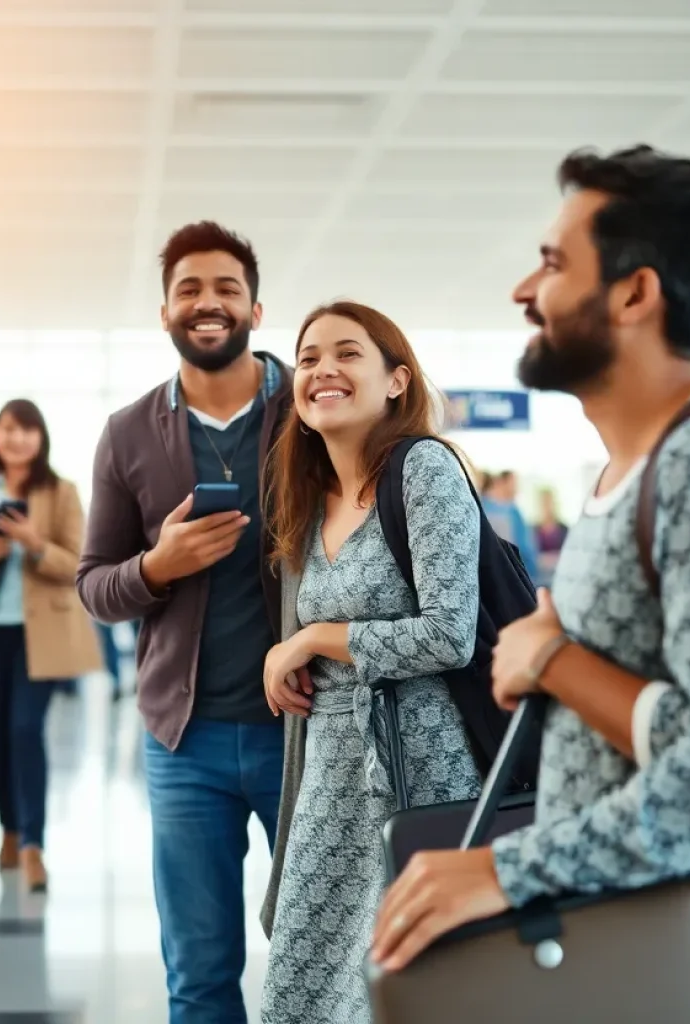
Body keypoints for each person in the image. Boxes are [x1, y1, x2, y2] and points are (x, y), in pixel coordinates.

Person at [371, 145, 690, 1024]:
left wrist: (506, 868)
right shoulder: (629, 472)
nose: (522, 292)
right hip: (625, 956)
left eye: (552, 262)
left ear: (635, 293)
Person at [77, 221, 292, 1024]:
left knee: (325, 951)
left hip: (303, 731)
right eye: (190, 290)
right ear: (165, 311)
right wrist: (156, 567)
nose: (208, 304)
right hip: (182, 741)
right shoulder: (128, 433)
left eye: (226, 289)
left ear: (256, 310)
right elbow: (94, 584)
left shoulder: (308, 411)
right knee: (199, 972)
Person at [259, 301, 481, 1023]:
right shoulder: (304, 495)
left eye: (348, 353)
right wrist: (289, 650)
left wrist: (317, 638)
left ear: (396, 381)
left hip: (422, 770)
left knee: (409, 988)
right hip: (328, 773)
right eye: (310, 356)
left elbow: (451, 634)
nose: (323, 368)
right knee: (302, 981)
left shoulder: (425, 470)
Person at [0, 399, 101, 894]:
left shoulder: (62, 491)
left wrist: (33, 543)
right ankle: (9, 826)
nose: (18, 439)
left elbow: (79, 565)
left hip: (41, 638)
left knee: (25, 732)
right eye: (9, 429)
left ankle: (32, 844)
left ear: (41, 438)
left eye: (28, 430)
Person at [481, 470, 539, 582]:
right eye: (513, 484)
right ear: (501, 483)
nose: (516, 489)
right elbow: (524, 547)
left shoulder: (484, 508)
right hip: (514, 573)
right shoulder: (510, 512)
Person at [533, 487, 568, 587]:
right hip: (538, 580)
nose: (546, 506)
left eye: (549, 502)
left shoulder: (563, 529)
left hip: (559, 578)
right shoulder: (533, 530)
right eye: (544, 503)